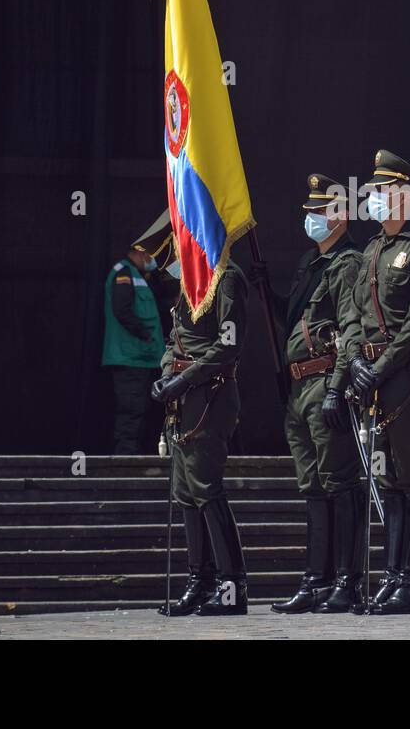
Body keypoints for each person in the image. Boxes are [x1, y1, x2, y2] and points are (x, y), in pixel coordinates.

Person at [346, 149, 410, 615]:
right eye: (376, 190)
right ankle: (391, 576)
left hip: (407, 375)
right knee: (385, 481)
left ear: (407, 195)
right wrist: (352, 361)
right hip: (371, 376)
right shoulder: (370, 251)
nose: (379, 197)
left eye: (387, 190)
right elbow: (351, 316)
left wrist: (381, 367)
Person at [267, 174, 368, 614]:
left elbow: (351, 330)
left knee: (340, 483)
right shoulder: (312, 262)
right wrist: (265, 289)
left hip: (326, 382)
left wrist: (337, 386)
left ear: (341, 217)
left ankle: (347, 581)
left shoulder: (346, 263)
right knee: (312, 486)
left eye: (319, 213)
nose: (311, 219)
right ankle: (316, 580)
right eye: (308, 212)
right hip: (300, 386)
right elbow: (295, 319)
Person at [151, 242, 250, 617]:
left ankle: (232, 587)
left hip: (210, 393)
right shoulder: (190, 281)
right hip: (182, 397)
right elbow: (173, 339)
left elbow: (229, 345)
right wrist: (165, 376)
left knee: (206, 488)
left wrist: (185, 379)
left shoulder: (226, 279)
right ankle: (200, 581)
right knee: (186, 492)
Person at [101, 212, 171, 454]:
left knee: (141, 410)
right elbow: (122, 310)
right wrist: (146, 335)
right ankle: (125, 462)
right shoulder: (124, 273)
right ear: (140, 251)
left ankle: (135, 457)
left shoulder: (141, 276)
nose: (154, 259)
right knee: (130, 410)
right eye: (150, 253)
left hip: (143, 357)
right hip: (130, 356)